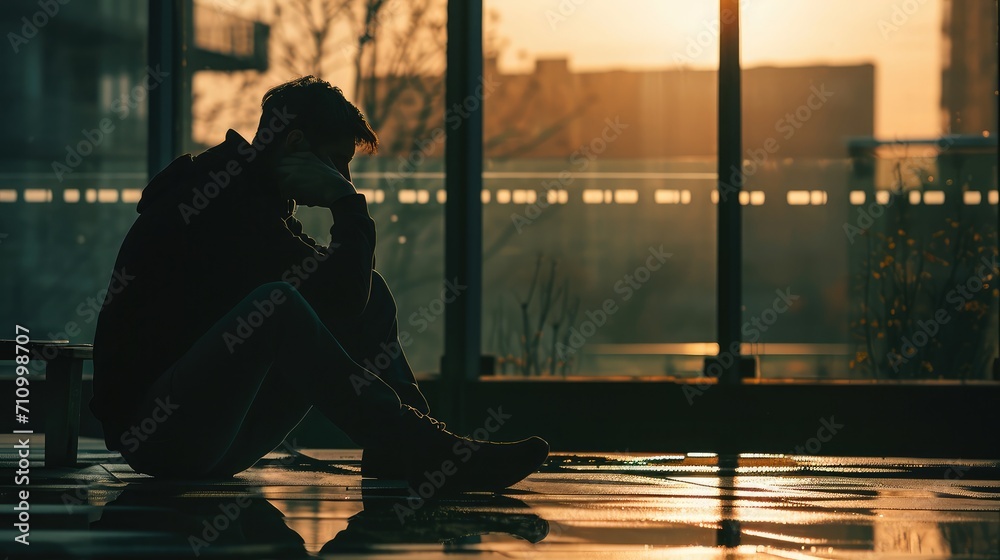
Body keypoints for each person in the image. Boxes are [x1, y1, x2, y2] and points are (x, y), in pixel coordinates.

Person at [90, 76, 548, 492]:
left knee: (374, 295)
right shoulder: (214, 199)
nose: (341, 177)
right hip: (162, 439)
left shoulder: (257, 202)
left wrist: (347, 210)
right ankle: (421, 450)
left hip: (212, 438)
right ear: (295, 143)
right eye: (338, 162)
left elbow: (351, 296)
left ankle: (406, 451)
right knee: (278, 305)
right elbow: (338, 300)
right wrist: (346, 205)